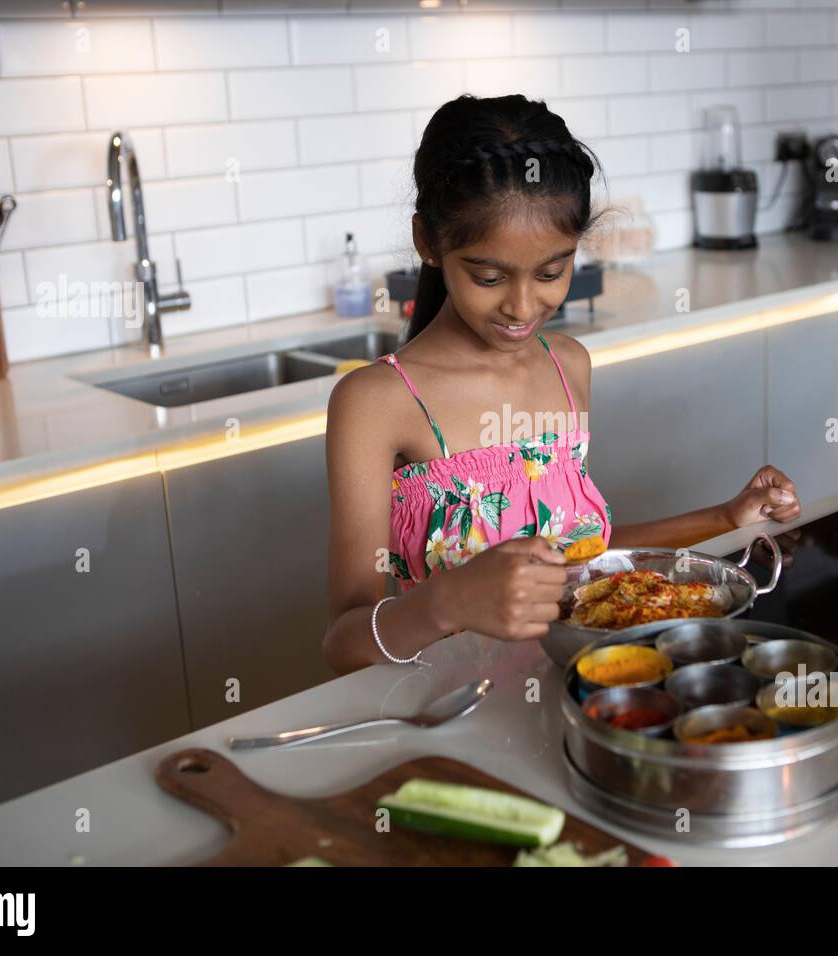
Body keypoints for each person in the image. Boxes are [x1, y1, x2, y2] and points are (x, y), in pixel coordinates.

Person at [323, 94, 799, 674]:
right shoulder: (377, 402)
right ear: (428, 242)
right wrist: (446, 601)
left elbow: (579, 558)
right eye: (488, 276)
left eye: (552, 272)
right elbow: (345, 644)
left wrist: (727, 518)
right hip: (449, 713)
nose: (523, 306)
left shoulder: (567, 364)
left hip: (581, 687)